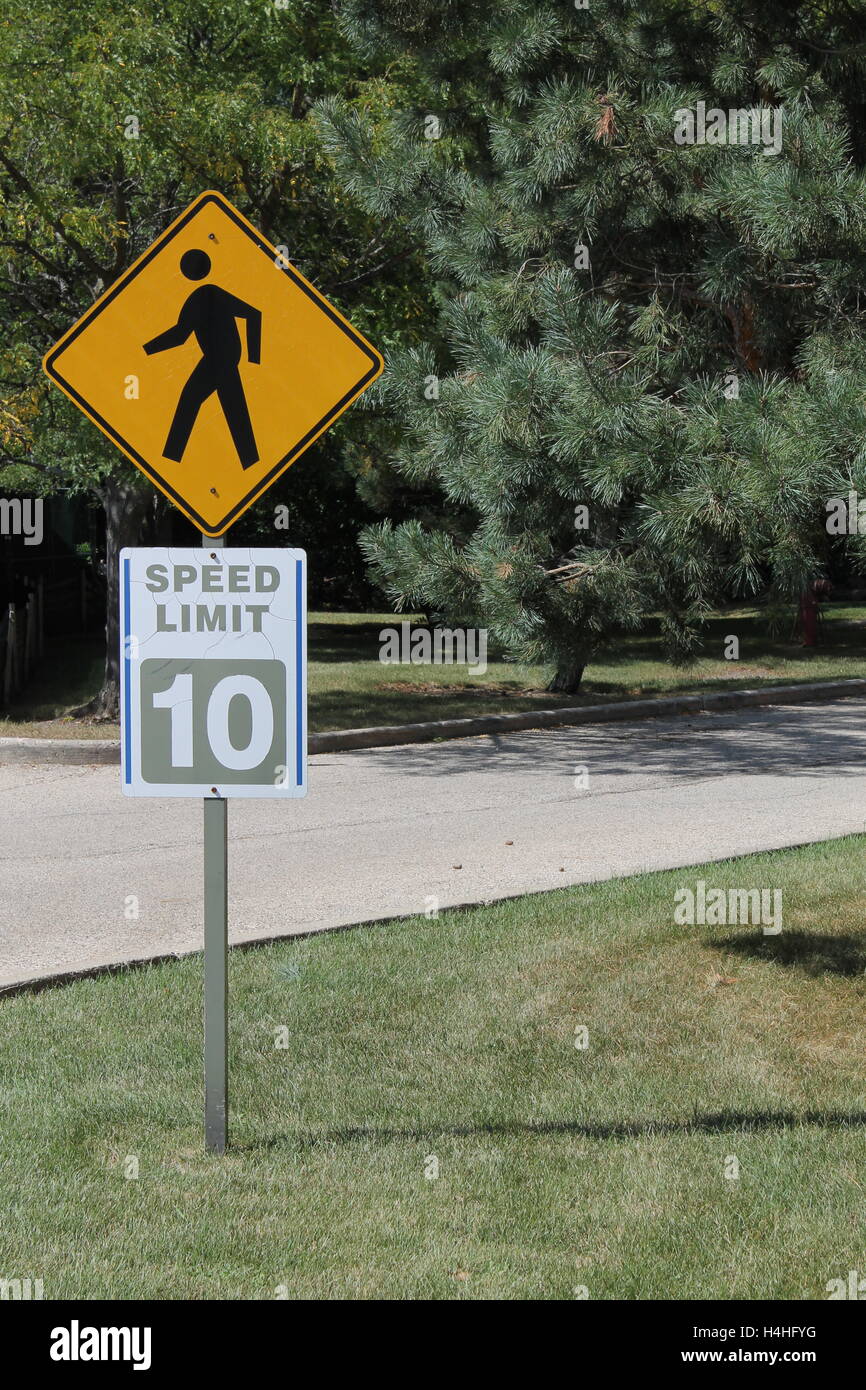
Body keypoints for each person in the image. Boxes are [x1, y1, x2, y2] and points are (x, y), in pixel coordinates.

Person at [143, 248, 261, 469]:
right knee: (232, 411)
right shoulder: (201, 296)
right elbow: (180, 335)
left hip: (220, 360)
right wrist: (146, 349)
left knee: (194, 401)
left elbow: (254, 315)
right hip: (220, 360)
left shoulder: (206, 294)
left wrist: (255, 361)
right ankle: (250, 462)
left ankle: (171, 458)